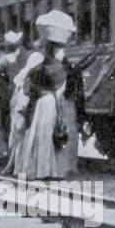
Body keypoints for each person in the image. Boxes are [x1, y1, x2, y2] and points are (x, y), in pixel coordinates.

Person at [14, 10, 77, 180]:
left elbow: (29, 86)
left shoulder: (39, 66)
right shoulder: (60, 67)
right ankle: (52, 169)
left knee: (41, 134)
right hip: (53, 101)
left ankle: (42, 169)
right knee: (50, 134)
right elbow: (61, 90)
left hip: (41, 102)